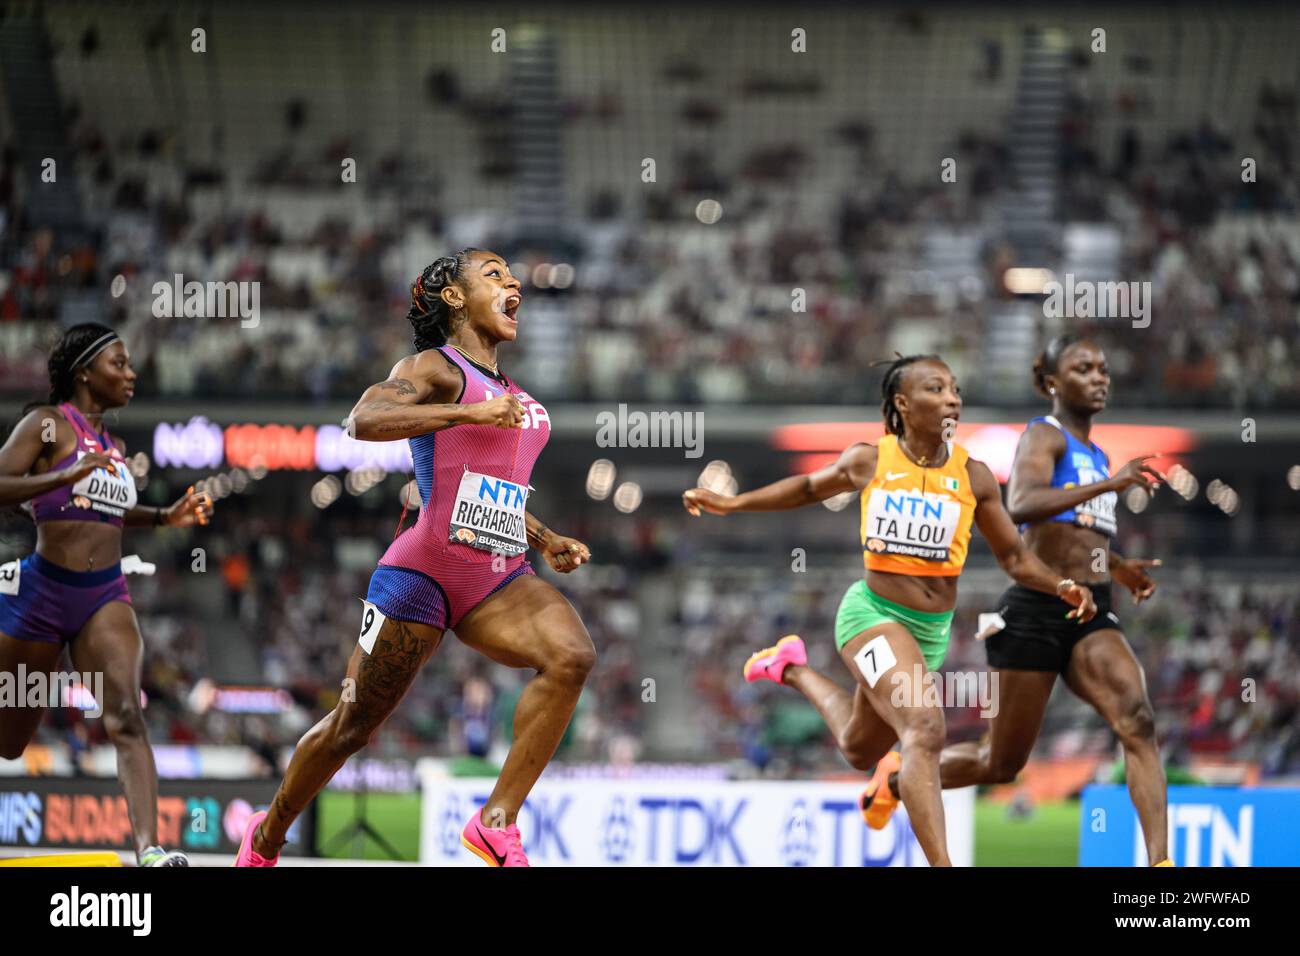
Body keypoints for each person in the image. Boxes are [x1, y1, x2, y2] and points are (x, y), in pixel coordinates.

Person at [235, 249, 595, 868]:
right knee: (352, 728)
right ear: (454, 298)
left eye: (512, 277)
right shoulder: (435, 366)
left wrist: (544, 538)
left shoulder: (516, 393)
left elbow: (487, 490)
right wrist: (467, 410)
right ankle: (265, 839)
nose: (512, 283)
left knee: (572, 657)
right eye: (493, 274)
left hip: (498, 577)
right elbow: (363, 419)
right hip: (422, 574)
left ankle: (494, 822)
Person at [682, 354, 1096, 866]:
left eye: (955, 389)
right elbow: (810, 488)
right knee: (924, 729)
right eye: (936, 389)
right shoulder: (871, 460)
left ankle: (788, 668)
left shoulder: (975, 476)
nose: (952, 398)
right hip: (871, 617)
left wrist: (1062, 585)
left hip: (929, 634)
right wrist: (734, 504)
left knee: (859, 749)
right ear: (903, 403)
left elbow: (1013, 557)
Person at [870, 335, 1172, 866]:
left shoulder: (1099, 456)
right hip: (1034, 610)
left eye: (1103, 368)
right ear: (1053, 382)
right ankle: (897, 777)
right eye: (1083, 369)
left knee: (1139, 721)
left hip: (1091, 609)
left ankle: (1161, 866)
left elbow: (1080, 535)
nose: (1100, 377)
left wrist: (1119, 568)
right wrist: (1108, 487)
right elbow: (1024, 504)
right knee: (1000, 764)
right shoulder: (1044, 436)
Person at [0, 322, 213, 867]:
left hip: (103, 594)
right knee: (8, 741)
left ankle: (151, 852)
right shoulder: (46, 425)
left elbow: (108, 510)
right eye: (119, 364)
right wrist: (61, 477)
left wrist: (166, 515)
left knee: (126, 716)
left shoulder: (114, 447)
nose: (131, 373)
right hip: (41, 592)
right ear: (84, 373)